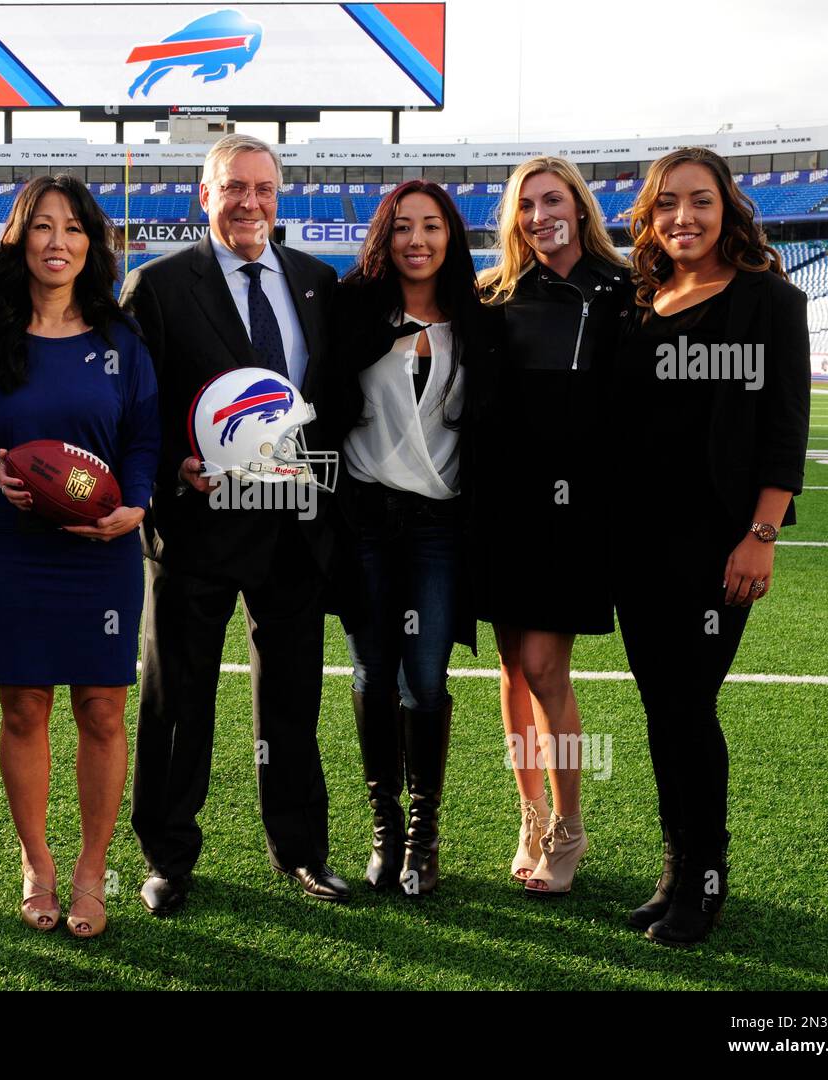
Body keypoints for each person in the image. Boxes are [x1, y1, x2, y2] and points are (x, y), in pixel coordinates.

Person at [119, 133, 348, 913]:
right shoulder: (157, 284)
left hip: (292, 525)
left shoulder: (317, 282)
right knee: (177, 697)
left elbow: (334, 404)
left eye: (264, 188)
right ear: (204, 195)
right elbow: (131, 406)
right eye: (234, 188)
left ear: (278, 196)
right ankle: (168, 854)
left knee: (293, 695)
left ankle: (302, 850)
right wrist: (164, 476)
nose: (251, 203)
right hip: (197, 524)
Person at [615, 147, 809, 945]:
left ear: (727, 208)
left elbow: (785, 426)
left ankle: (707, 876)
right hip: (637, 543)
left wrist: (760, 534)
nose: (682, 218)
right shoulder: (641, 299)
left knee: (690, 707)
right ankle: (674, 871)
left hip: (718, 544)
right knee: (664, 709)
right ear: (650, 218)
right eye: (667, 205)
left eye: (699, 201)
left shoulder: (768, 300)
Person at [0, 175, 159, 939]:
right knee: (23, 707)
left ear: (92, 243)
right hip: (16, 547)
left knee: (103, 709)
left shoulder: (121, 340)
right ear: (20, 239)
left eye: (73, 228)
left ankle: (90, 870)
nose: (57, 241)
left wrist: (132, 503)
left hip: (101, 548)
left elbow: (144, 436)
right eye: (41, 226)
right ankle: (36, 862)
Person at [473, 156, 631, 896]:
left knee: (543, 667)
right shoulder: (495, 291)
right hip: (503, 502)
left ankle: (569, 825)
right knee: (510, 669)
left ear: (580, 206)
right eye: (526, 205)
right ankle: (529, 815)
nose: (540, 216)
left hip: (577, 507)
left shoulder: (624, 288)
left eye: (552, 200)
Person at [330, 180, 493, 895]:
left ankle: (423, 836)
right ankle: (384, 828)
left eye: (431, 226)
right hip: (366, 518)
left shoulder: (479, 318)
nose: (417, 240)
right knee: (371, 671)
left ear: (451, 236)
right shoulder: (353, 307)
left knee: (423, 679)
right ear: (384, 237)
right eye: (402, 227)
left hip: (439, 526)